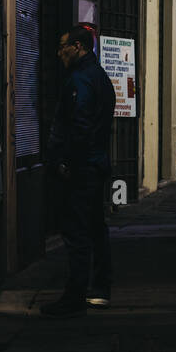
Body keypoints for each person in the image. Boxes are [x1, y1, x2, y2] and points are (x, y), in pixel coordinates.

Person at [42, 25, 115, 317]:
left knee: (77, 231)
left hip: (82, 167)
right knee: (96, 227)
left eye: (63, 46)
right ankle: (100, 289)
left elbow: (79, 125)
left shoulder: (80, 79)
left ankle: (75, 296)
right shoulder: (100, 76)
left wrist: (66, 163)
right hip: (95, 164)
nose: (59, 52)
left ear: (79, 47)